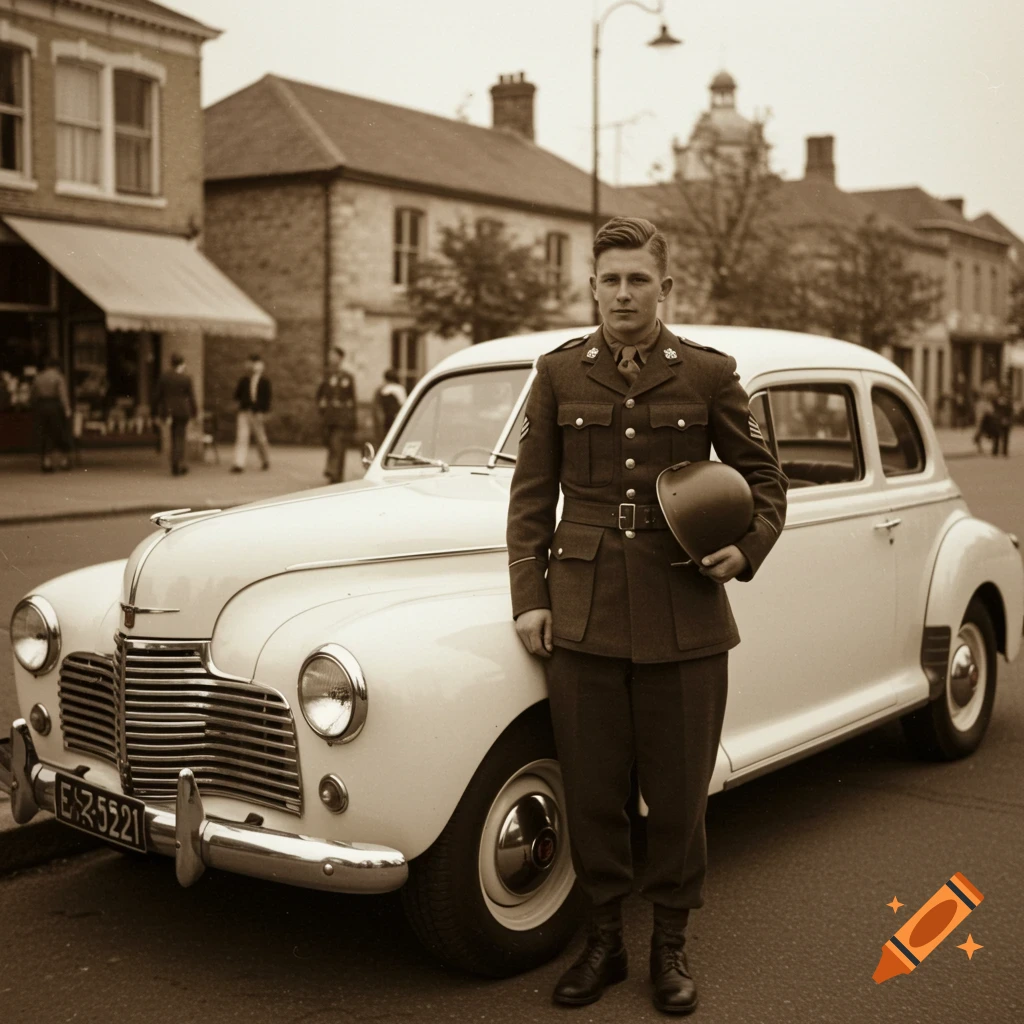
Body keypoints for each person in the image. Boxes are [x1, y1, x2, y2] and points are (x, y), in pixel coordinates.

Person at [506, 217, 788, 1014]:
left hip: (684, 607)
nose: (623, 293)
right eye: (610, 280)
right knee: (592, 791)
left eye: (638, 280)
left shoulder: (707, 374)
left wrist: (748, 547)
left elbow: (767, 481)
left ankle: (669, 945)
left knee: (678, 795)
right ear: (591, 287)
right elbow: (530, 499)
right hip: (585, 613)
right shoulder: (559, 375)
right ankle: (603, 943)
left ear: (666, 289)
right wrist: (530, 597)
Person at [317, 346, 357, 482]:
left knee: (337, 443)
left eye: (334, 355)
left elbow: (352, 399)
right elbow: (320, 394)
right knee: (332, 444)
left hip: (342, 417)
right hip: (329, 416)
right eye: (330, 355)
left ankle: (333, 471)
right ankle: (337, 474)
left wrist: (352, 418)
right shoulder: (327, 375)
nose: (331, 358)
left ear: (340, 358)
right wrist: (322, 407)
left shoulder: (348, 377)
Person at [154, 353, 198, 476]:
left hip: (168, 411)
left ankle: (175, 463)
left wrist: (155, 412)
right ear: (182, 364)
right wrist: (195, 412)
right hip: (183, 411)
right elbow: (191, 397)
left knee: (173, 436)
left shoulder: (164, 377)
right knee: (180, 436)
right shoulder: (186, 378)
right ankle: (179, 463)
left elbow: (157, 396)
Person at [231, 353, 272, 473]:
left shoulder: (264, 381)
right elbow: (237, 395)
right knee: (242, 437)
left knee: (260, 438)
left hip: (257, 413)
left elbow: (267, 399)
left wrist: (262, 412)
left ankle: (265, 459)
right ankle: (239, 463)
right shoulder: (244, 380)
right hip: (244, 412)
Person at [30, 356, 72, 472]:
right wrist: (67, 408)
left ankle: (46, 461)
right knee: (58, 432)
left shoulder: (38, 377)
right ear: (57, 366)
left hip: (41, 406)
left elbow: (33, 394)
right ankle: (64, 460)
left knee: (44, 433)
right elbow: (62, 394)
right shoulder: (58, 377)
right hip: (54, 406)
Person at [372, 368, 407, 444]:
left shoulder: (381, 390)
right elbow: (403, 404)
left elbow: (376, 406)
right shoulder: (400, 389)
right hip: (395, 417)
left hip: (385, 418)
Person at [992, 381, 1013, 457]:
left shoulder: (1008, 399)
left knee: (1005, 436)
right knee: (997, 435)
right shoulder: (997, 399)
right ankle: (995, 451)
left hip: (1006, 419)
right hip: (998, 419)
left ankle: (1004, 451)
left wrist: (1008, 419)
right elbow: (995, 408)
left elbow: (1010, 410)